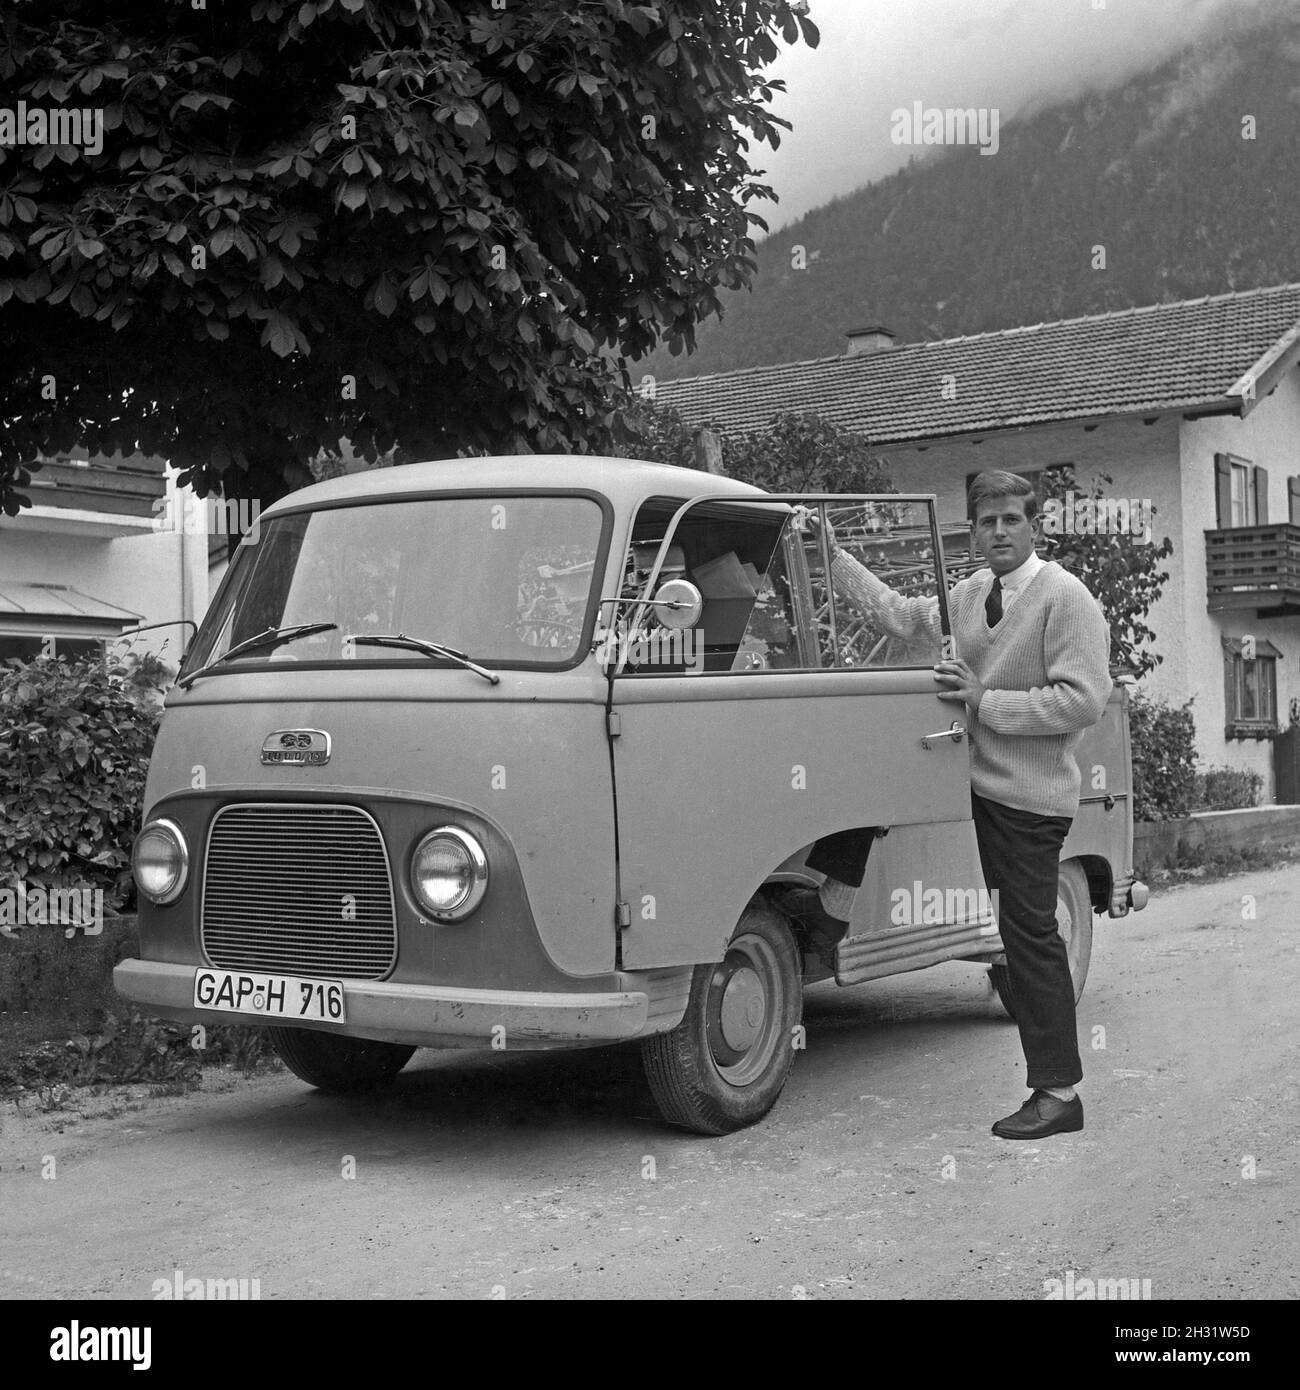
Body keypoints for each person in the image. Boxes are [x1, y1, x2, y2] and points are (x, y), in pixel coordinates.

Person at [783, 471, 1112, 1139]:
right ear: (972, 530)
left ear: (1035, 526)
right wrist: (831, 554)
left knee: (1028, 938)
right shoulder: (969, 595)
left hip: (1029, 795)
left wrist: (983, 702)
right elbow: (901, 616)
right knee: (877, 782)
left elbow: (1082, 701)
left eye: (1010, 520)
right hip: (969, 775)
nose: (997, 532)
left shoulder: (1065, 600)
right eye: (985, 522)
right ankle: (830, 910)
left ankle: (1058, 1093)